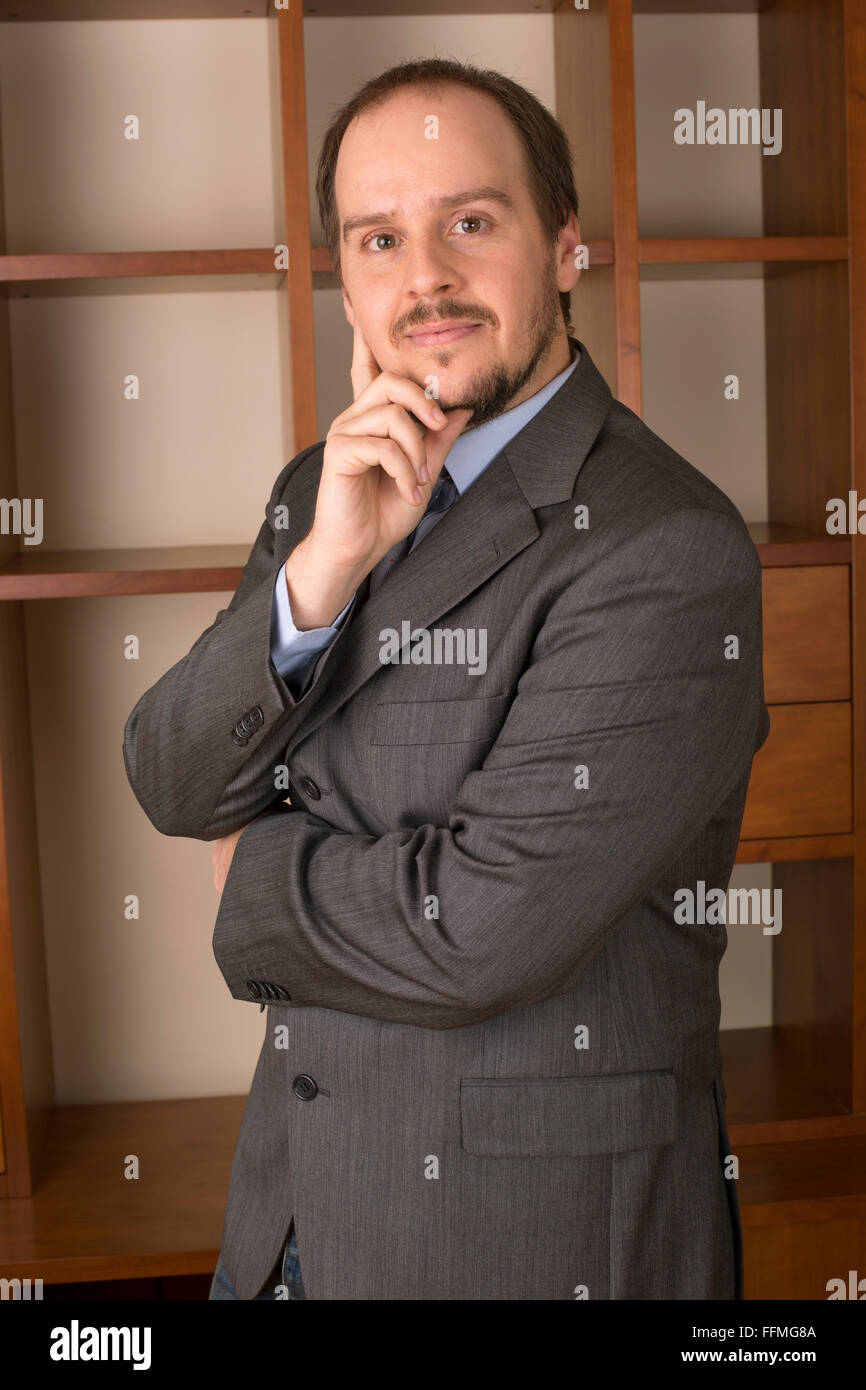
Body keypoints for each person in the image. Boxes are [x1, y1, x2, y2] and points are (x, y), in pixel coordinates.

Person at [123, 57, 770, 1301]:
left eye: (470, 222)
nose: (423, 280)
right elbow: (169, 774)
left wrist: (249, 867)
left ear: (565, 247)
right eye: (378, 240)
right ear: (346, 283)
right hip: (297, 1200)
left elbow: (477, 931)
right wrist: (321, 574)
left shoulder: (664, 548)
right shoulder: (326, 486)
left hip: (528, 1236)